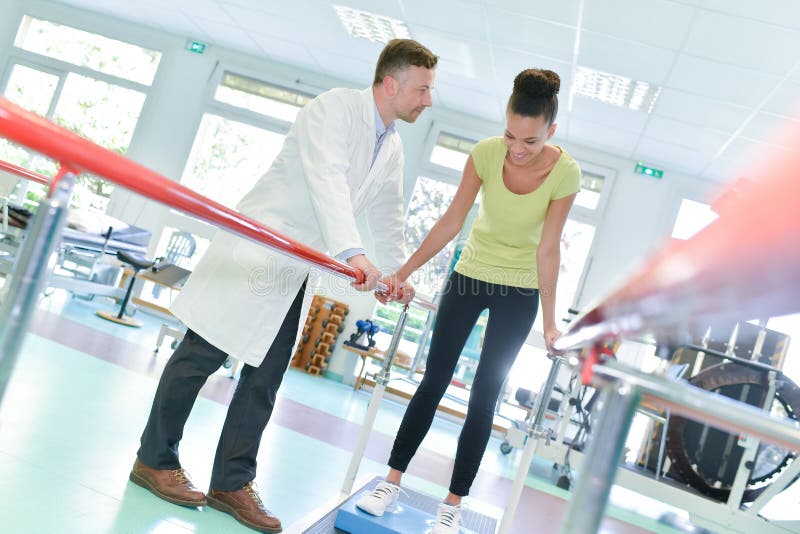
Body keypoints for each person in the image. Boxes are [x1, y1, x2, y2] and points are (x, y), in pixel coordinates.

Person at [130, 39, 436, 533]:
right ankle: (154, 460)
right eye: (423, 89)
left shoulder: (393, 144)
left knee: (264, 380)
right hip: (258, 253)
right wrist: (354, 256)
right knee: (199, 359)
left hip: (292, 272)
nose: (428, 99)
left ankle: (231, 483)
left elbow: (388, 212)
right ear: (391, 83)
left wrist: (396, 273)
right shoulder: (334, 110)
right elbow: (327, 182)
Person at [359, 68, 581, 533]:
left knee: (484, 398)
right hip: (469, 277)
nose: (517, 149)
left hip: (519, 291)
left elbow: (549, 248)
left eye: (531, 141)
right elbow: (451, 220)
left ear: (551, 132)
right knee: (433, 380)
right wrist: (405, 271)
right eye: (510, 136)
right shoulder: (484, 154)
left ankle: (451, 508)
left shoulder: (566, 173)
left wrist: (550, 323)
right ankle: (391, 480)